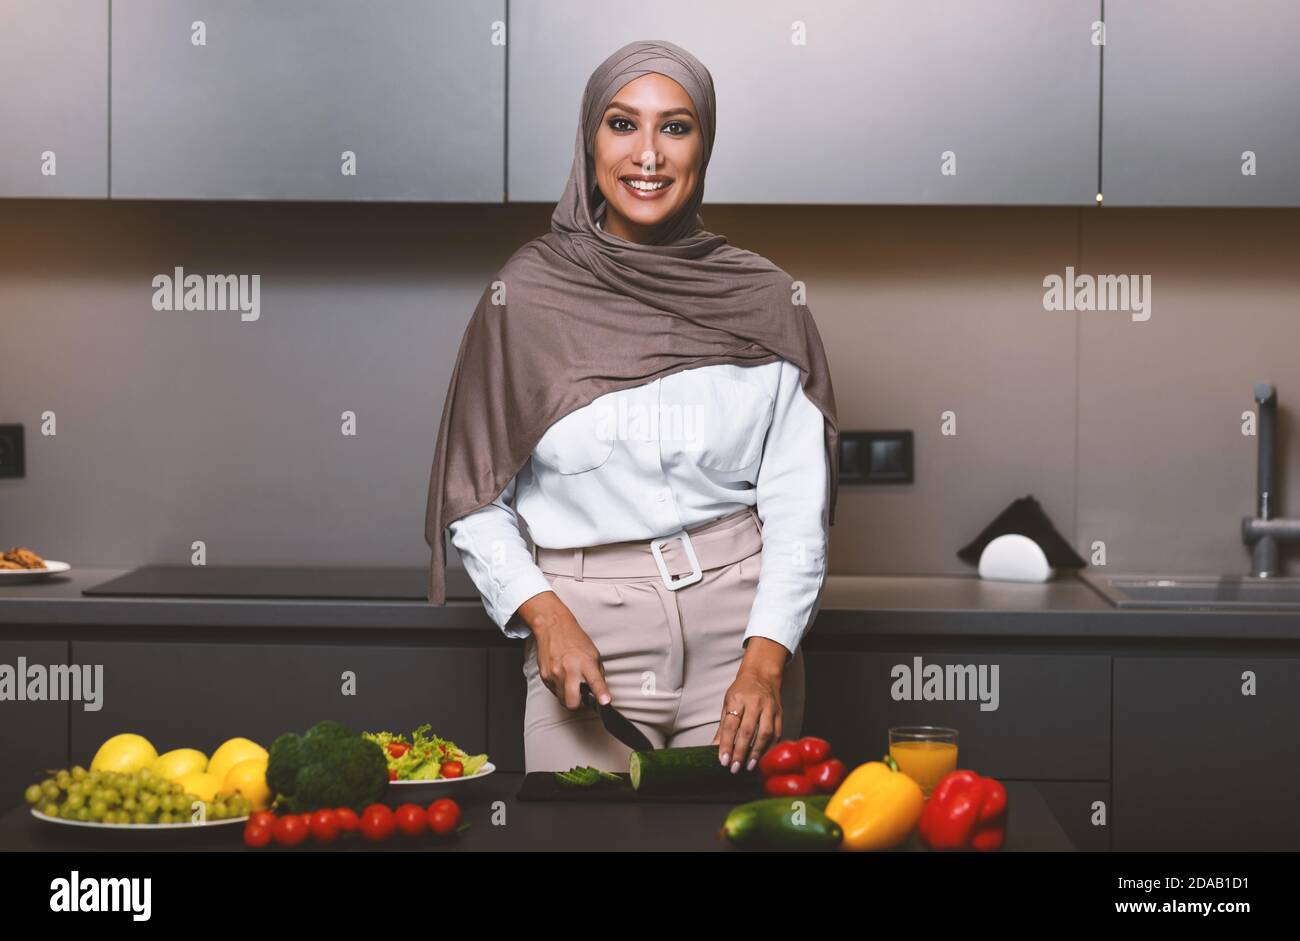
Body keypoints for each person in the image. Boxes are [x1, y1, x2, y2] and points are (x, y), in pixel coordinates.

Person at [425, 40, 840, 776]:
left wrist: (768, 655)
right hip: (587, 639)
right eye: (623, 124)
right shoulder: (524, 299)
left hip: (743, 639)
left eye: (675, 128)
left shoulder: (767, 299)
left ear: (703, 147)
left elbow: (798, 501)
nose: (648, 153)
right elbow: (475, 496)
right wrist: (544, 617)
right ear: (590, 142)